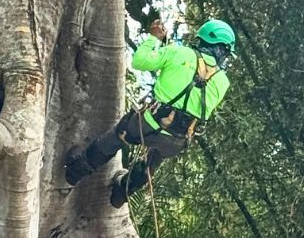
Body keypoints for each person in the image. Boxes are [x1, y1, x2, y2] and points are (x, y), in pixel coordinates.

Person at [65, 18, 234, 207]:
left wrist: (154, 39)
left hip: (146, 124)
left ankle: (76, 171)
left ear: (203, 40)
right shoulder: (222, 82)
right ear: (221, 50)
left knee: (117, 137)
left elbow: (140, 62)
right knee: (154, 159)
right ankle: (122, 192)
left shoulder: (178, 52)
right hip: (177, 140)